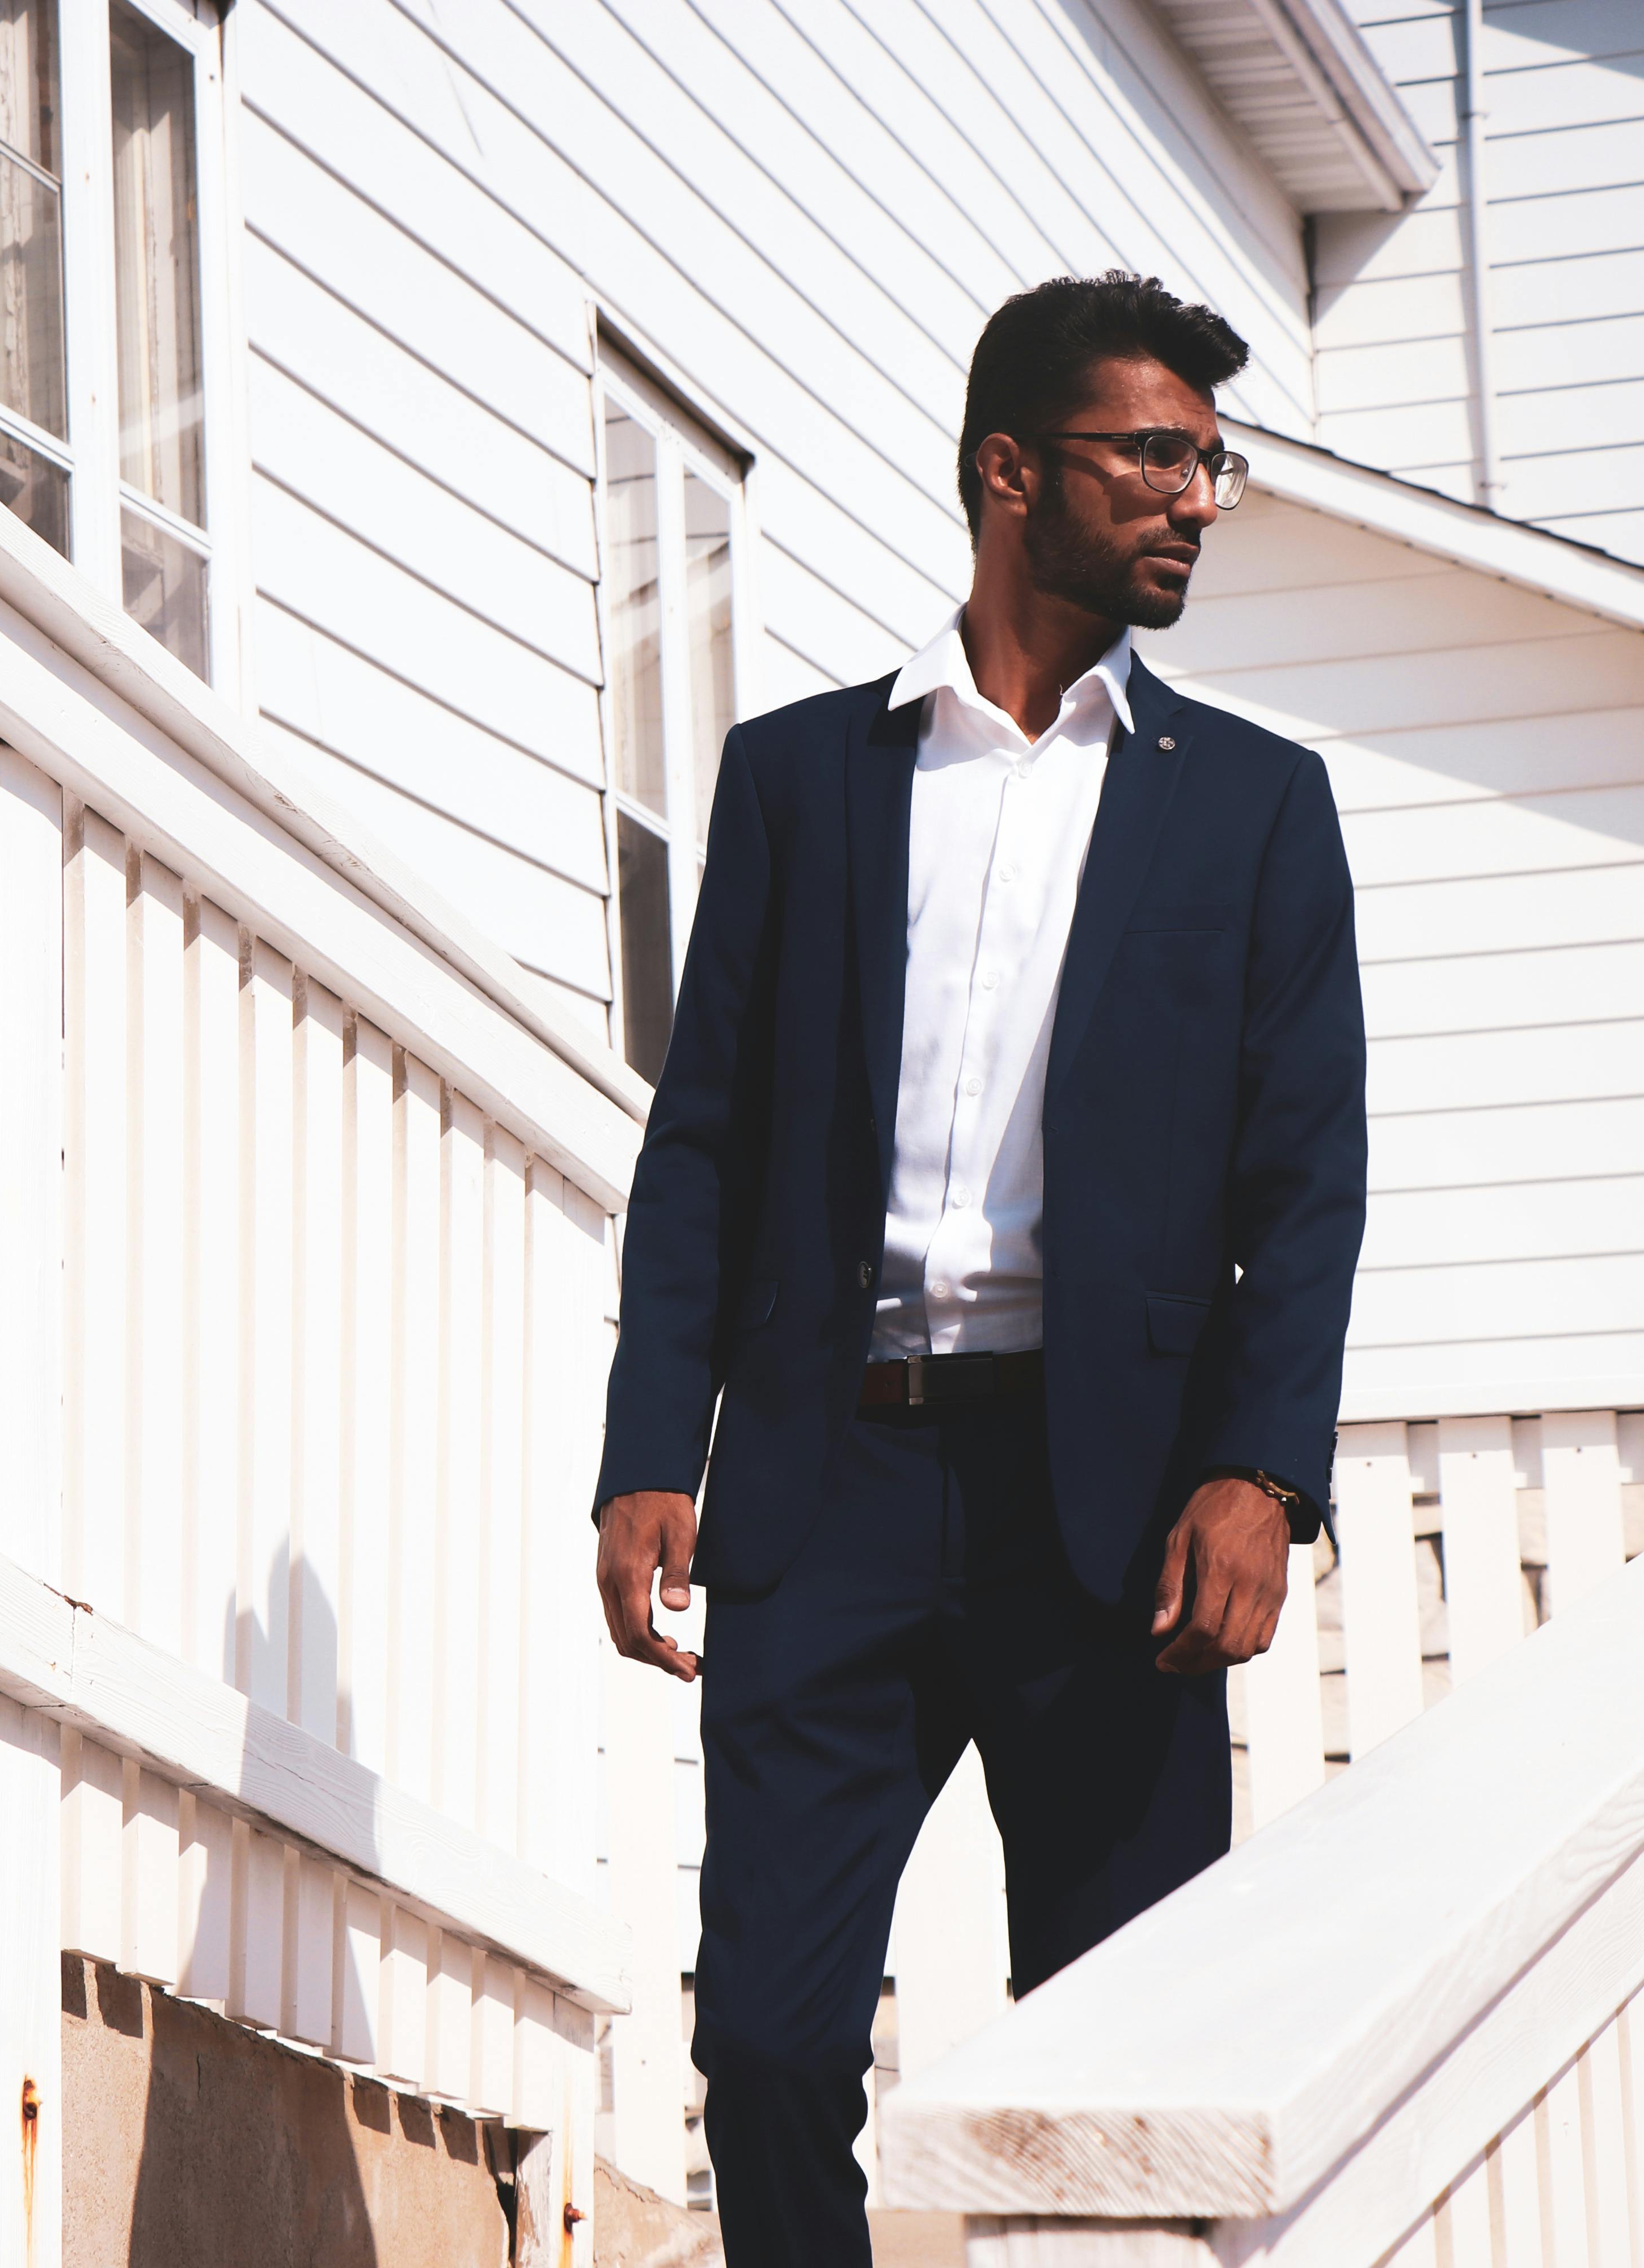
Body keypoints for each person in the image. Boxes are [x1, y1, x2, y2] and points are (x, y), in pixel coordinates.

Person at [589, 272, 1369, 2266]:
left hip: (1105, 1517)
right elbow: (707, 1150)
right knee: (765, 2042)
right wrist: (645, 1451)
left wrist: (1263, 1473)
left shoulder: (1258, 812)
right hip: (828, 1485)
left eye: (1214, 462)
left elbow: (1308, 1177)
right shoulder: (803, 784)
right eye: (1156, 456)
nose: (1197, 498)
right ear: (1011, 473)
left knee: (1121, 2055)